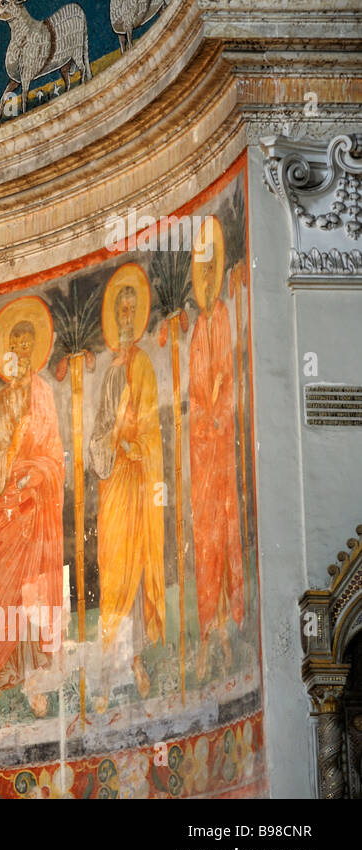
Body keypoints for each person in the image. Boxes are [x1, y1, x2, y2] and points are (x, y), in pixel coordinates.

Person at [0, 307, 65, 728]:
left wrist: (38, 474)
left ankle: (35, 680)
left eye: (28, 346)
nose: (21, 354)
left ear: (36, 352)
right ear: (6, 354)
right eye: (14, 347)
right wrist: (11, 457)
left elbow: (55, 458)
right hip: (6, 512)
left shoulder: (44, 395)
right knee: (5, 596)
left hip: (38, 509)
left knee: (35, 594)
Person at [90, 271, 164, 705]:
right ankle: (108, 665)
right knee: (114, 565)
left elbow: (153, 424)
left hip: (138, 481)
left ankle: (133, 659)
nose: (125, 317)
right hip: (114, 482)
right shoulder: (108, 373)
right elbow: (101, 428)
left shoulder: (143, 365)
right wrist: (109, 446)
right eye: (120, 310)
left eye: (131, 311)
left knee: (134, 566)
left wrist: (137, 444)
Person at [189, 236, 244, 679]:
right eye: (200, 276)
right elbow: (193, 395)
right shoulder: (193, 335)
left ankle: (227, 630)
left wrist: (219, 412)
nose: (207, 282)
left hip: (222, 448)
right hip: (202, 449)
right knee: (204, 537)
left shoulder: (223, 317)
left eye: (212, 274)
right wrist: (204, 418)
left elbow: (228, 375)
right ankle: (209, 630)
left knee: (224, 532)